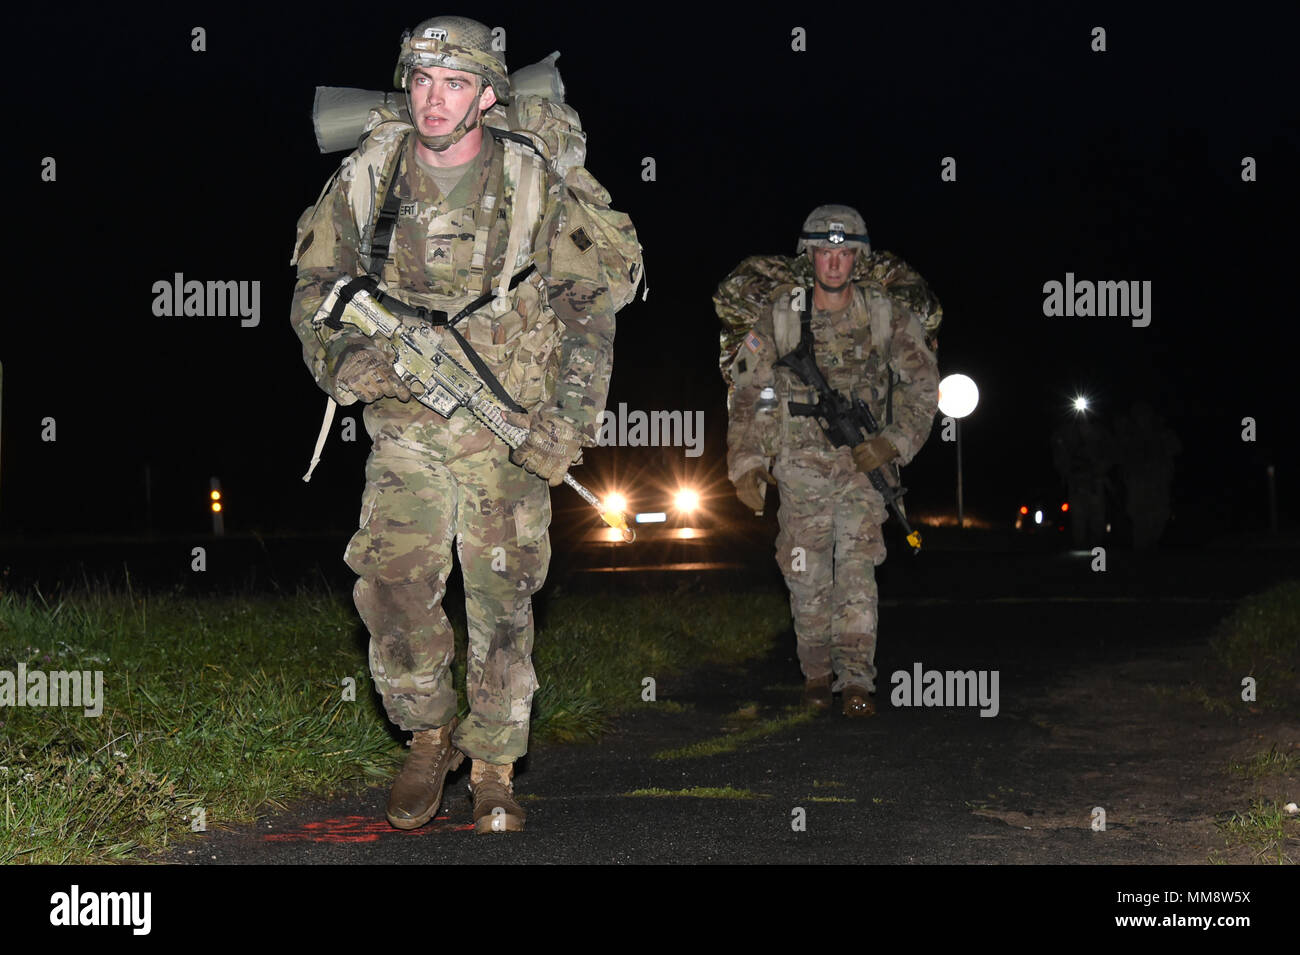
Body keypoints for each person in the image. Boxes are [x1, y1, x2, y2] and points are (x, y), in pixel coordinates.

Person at [289, 15, 620, 833]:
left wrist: (567, 422)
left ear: (487, 96)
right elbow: (313, 292)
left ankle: (496, 767)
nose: (436, 101)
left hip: (510, 431)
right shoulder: (369, 175)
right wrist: (345, 362)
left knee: (504, 605)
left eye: (457, 84)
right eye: (424, 82)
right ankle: (429, 729)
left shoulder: (532, 180)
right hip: (404, 428)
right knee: (389, 588)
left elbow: (587, 310)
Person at [723, 206, 939, 717]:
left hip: (864, 467)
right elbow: (749, 391)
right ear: (811, 256)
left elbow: (923, 388)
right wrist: (747, 463)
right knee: (805, 572)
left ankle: (857, 680)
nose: (834, 263)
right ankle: (817, 674)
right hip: (798, 465)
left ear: (856, 258)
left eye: (844, 253)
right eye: (825, 252)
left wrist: (892, 442)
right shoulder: (780, 314)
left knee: (858, 568)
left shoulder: (885, 314)